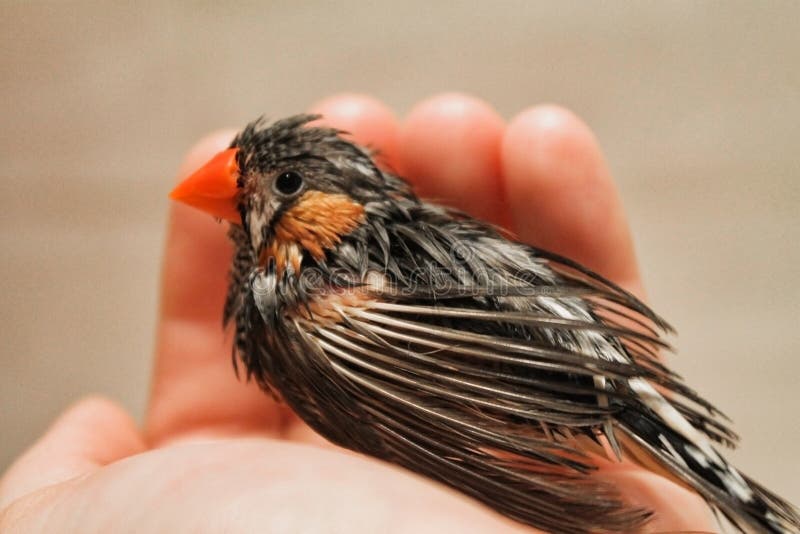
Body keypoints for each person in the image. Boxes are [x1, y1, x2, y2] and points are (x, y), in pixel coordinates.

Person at [0, 94, 716, 532]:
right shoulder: (319, 284)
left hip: (572, 371)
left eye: (284, 183)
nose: (241, 197)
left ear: (341, 204)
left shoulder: (315, 290)